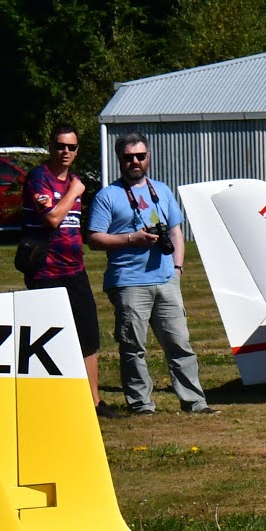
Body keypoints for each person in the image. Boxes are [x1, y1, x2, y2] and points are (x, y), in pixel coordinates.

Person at [84, 133, 212, 414]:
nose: (135, 162)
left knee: (180, 343)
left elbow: (176, 231)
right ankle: (141, 404)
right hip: (129, 281)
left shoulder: (162, 191)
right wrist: (132, 239)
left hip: (166, 279)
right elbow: (94, 238)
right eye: (128, 157)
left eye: (140, 156)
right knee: (133, 347)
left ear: (148, 157)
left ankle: (195, 401)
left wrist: (177, 267)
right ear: (120, 159)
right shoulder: (108, 196)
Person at [22, 122, 112, 418]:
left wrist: (74, 188)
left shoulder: (74, 181)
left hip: (75, 269)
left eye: (71, 147)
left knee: (88, 335)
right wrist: (74, 191)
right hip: (45, 271)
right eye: (60, 146)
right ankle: (53, 402)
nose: (65, 152)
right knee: (49, 338)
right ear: (51, 147)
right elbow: (52, 219)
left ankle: (94, 402)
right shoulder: (39, 178)